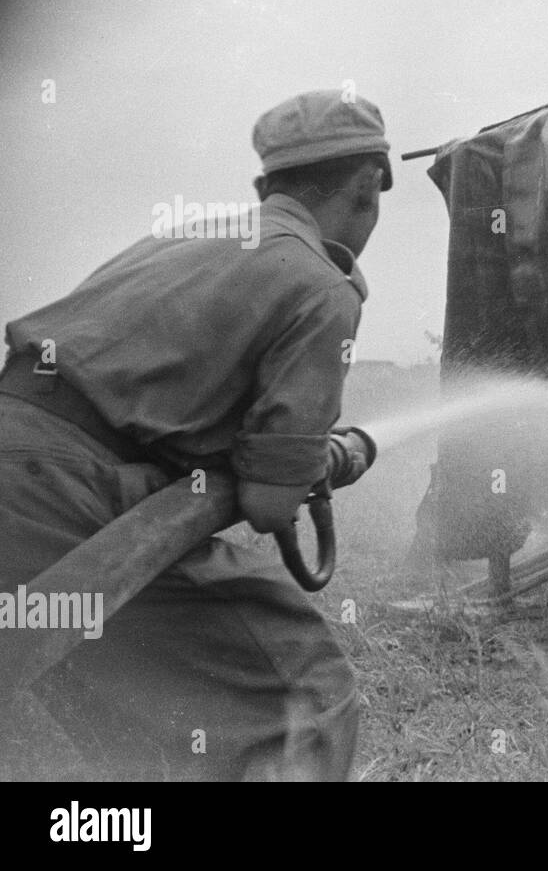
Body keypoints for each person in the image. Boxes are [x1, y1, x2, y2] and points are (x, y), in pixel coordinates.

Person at [0, 90, 392, 780]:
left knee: (143, 718)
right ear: (367, 188)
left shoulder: (184, 236)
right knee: (306, 694)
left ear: (264, 186)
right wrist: (318, 459)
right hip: (65, 489)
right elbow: (273, 506)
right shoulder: (321, 285)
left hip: (25, 453)